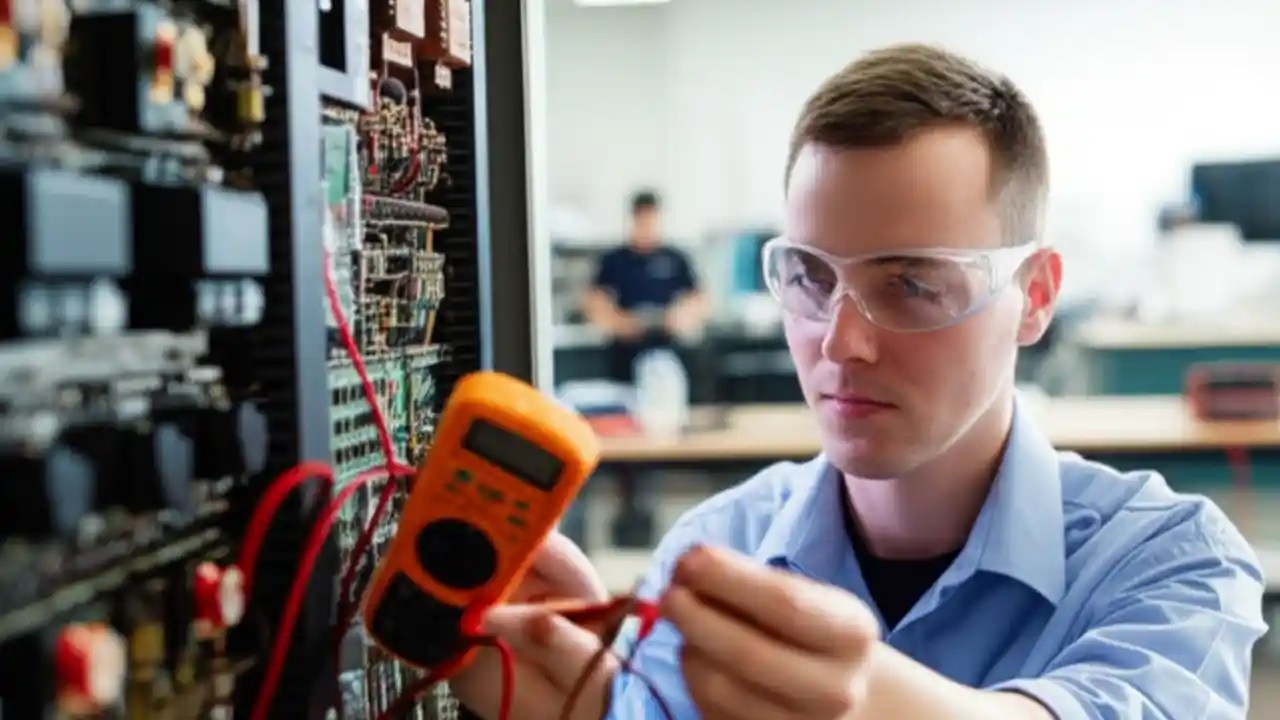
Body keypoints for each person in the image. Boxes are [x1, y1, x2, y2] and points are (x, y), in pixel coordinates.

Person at [451, 44, 1268, 719]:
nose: (840, 342)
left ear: (1036, 296)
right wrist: (599, 705)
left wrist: (869, 700)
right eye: (808, 276)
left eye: (911, 285)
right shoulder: (715, 551)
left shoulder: (1171, 565)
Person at [582, 191, 709, 383]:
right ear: (634, 219)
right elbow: (595, 301)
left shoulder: (675, 258)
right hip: (626, 350)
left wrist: (681, 317)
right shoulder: (614, 260)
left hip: (669, 346)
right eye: (643, 220)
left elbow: (698, 299)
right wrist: (620, 322)